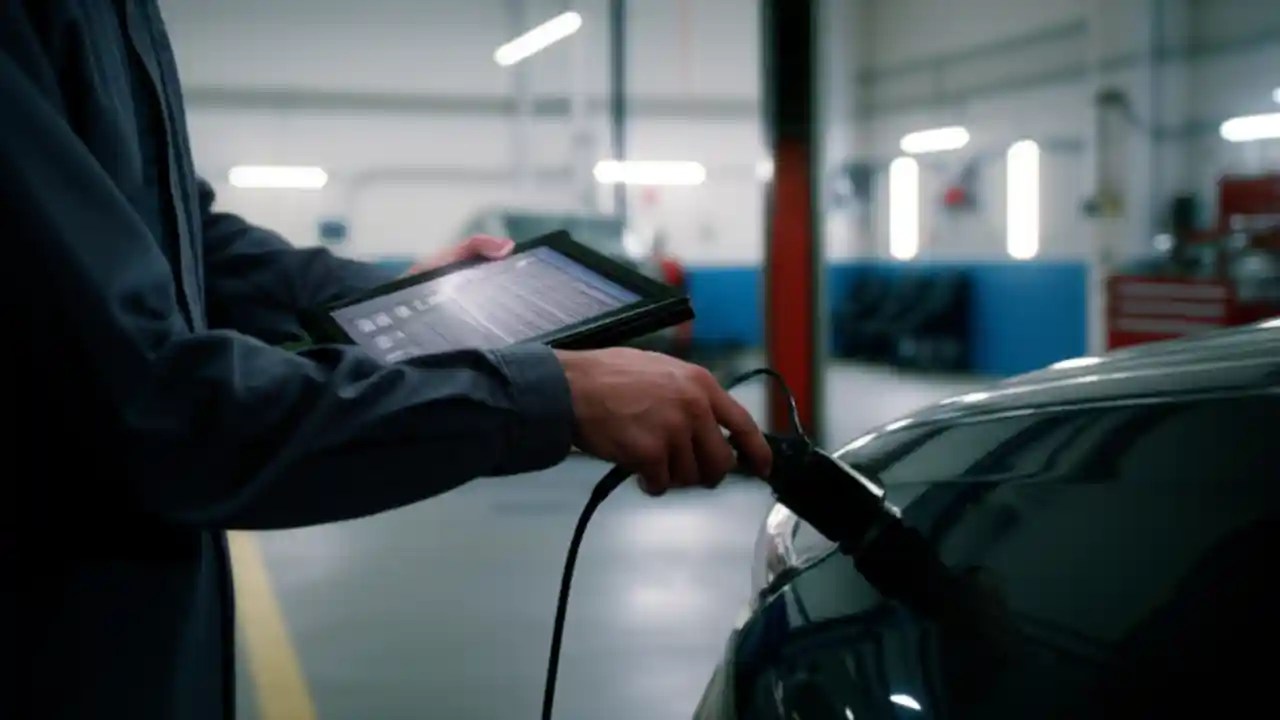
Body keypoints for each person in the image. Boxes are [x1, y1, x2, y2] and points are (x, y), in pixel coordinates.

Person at [0, 2, 772, 718]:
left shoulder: (119, 15)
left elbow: (187, 241)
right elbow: (158, 407)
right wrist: (550, 395)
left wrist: (394, 299)